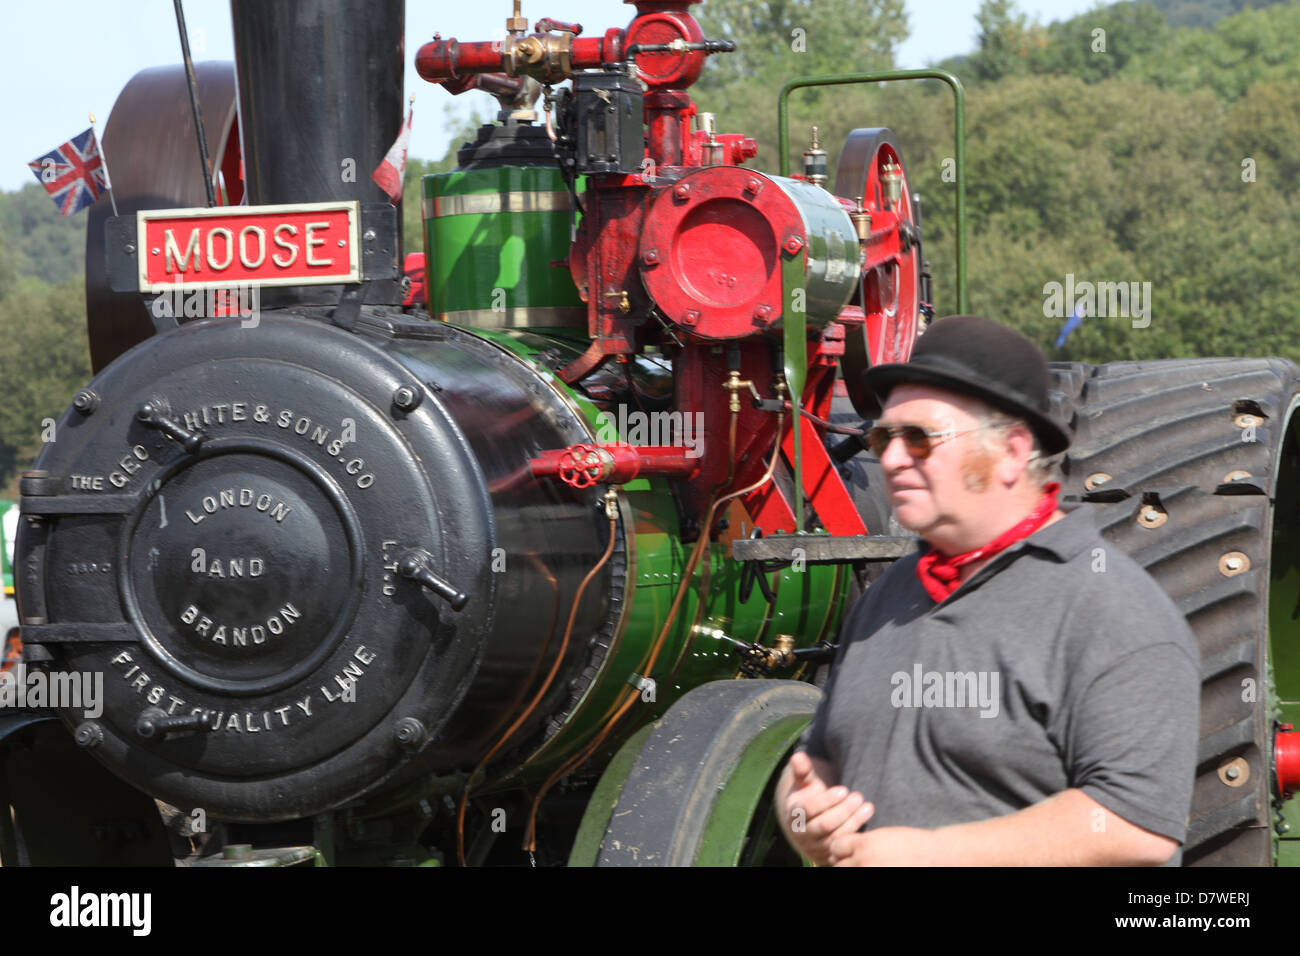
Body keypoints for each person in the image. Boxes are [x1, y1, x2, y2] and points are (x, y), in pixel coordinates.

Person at [775, 315, 1199, 866]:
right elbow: (819, 759)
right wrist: (804, 813)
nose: (892, 457)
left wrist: (929, 855)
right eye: (882, 436)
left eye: (920, 438)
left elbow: (1132, 825)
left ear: (1013, 451)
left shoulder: (1112, 609)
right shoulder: (891, 593)